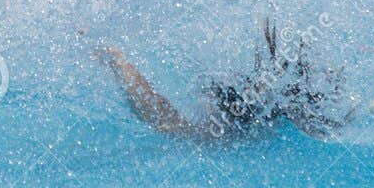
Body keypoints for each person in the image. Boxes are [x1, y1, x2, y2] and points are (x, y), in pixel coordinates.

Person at [97, 19, 355, 143]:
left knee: (169, 125)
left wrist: (118, 64)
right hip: (277, 112)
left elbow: (157, 114)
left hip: (244, 122)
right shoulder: (297, 117)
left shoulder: (215, 137)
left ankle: (114, 58)